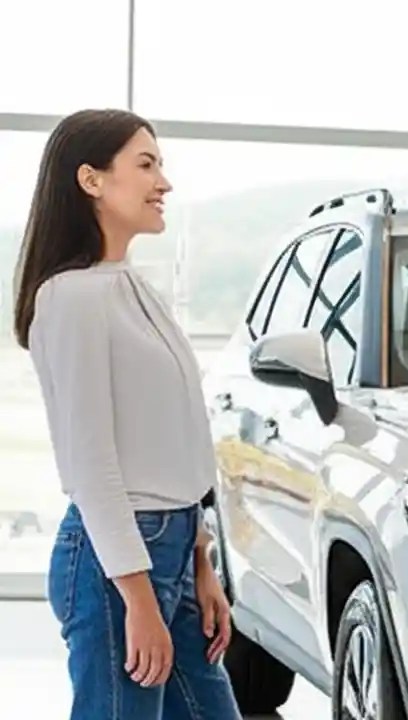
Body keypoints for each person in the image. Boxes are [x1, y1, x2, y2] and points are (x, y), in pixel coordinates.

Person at [12, 109, 241, 720]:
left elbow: (178, 440)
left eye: (159, 164)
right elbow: (90, 462)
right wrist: (138, 599)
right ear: (90, 180)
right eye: (146, 164)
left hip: (171, 546)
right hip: (119, 561)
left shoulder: (132, 288)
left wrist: (201, 562)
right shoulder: (70, 298)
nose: (163, 181)